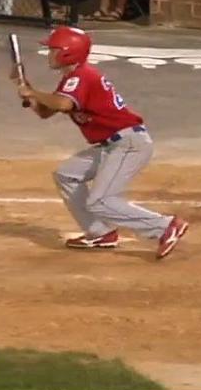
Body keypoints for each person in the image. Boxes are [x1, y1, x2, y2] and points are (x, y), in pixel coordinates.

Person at [15, 26, 189, 260]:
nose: (49, 53)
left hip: (128, 143)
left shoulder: (83, 76)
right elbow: (47, 112)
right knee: (67, 174)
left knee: (101, 200)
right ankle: (100, 232)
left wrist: (33, 92)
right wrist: (28, 92)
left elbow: (63, 105)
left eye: (53, 49)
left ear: (68, 53)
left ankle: (165, 226)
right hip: (112, 145)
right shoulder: (71, 79)